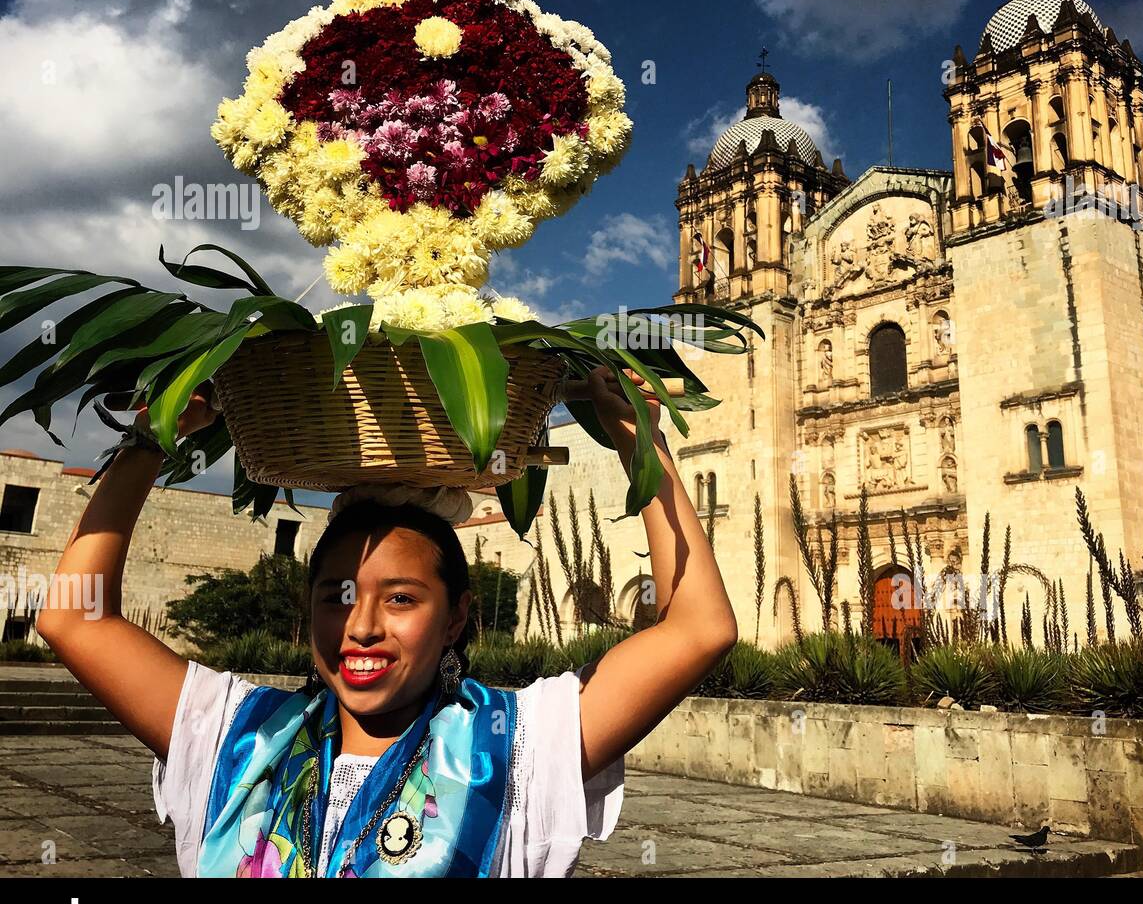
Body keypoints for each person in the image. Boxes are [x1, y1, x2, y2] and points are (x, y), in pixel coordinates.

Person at [36, 365, 738, 877]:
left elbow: (698, 628)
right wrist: (153, 437)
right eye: (336, 594)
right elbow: (74, 619)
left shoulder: (517, 745)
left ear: (457, 615)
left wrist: (640, 444)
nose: (361, 626)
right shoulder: (238, 734)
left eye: (401, 598)